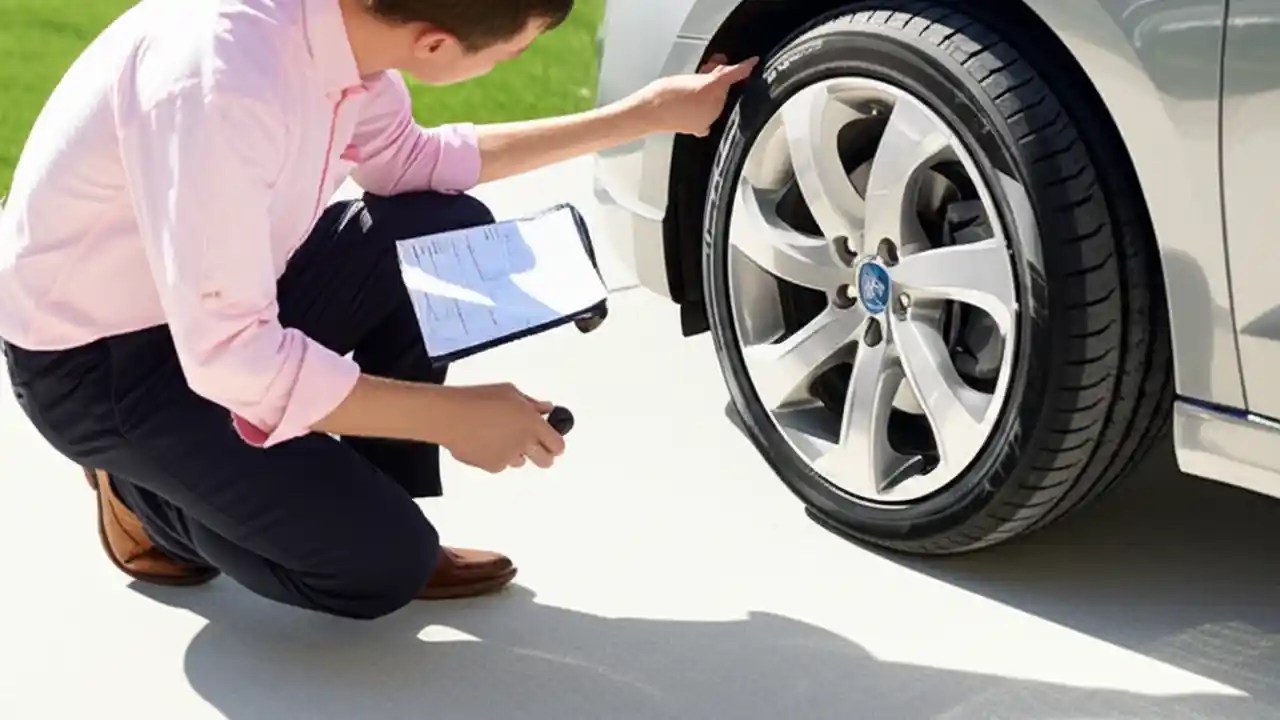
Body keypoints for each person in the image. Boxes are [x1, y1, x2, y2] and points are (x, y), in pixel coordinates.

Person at [0, 0, 756, 620]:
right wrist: (452, 416)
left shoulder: (335, 32)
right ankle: (140, 495)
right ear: (434, 44)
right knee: (378, 570)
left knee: (439, 223)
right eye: (512, 51)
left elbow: (415, 163)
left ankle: (343, 495)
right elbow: (231, 360)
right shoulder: (225, 88)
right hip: (105, 365)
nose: (514, 62)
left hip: (207, 299)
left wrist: (645, 115)